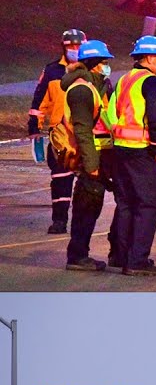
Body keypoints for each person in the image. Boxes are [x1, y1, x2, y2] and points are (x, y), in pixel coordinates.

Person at [110, 35, 156, 277]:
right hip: (143, 152)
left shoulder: (125, 80)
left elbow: (110, 113)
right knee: (147, 206)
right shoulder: (152, 83)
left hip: (122, 150)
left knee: (126, 204)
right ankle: (137, 261)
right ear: (148, 58)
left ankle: (122, 256)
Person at [60, 40, 116, 272]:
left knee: (91, 207)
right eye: (104, 62)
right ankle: (78, 256)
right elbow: (82, 130)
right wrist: (92, 166)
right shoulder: (82, 89)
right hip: (89, 158)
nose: (107, 66)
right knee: (86, 207)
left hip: (98, 155)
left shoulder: (94, 86)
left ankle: (80, 254)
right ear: (94, 64)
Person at [29, 28, 86, 234]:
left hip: (86, 135)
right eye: (70, 46)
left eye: (78, 46)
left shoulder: (91, 71)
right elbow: (39, 101)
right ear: (63, 47)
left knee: (88, 183)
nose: (74, 49)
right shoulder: (53, 71)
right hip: (60, 135)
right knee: (60, 179)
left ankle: (82, 225)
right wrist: (34, 128)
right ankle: (60, 221)